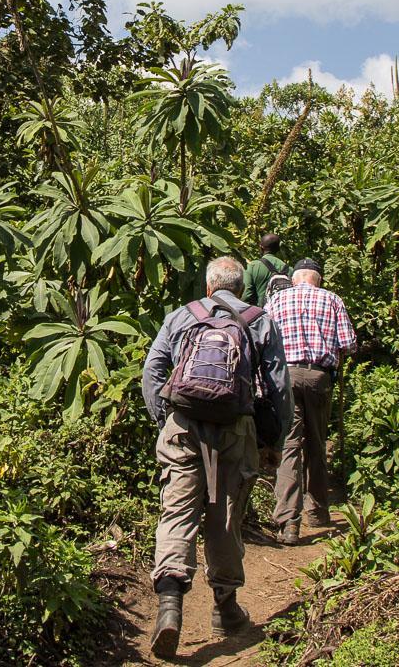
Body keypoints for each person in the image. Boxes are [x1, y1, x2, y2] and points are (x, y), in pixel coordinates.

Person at [141, 257, 291, 658]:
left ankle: (169, 608)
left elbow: (153, 368)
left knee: (177, 509)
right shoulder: (260, 321)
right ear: (241, 289)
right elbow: (278, 387)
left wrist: (164, 418)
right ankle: (224, 608)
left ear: (209, 287)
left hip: (183, 424)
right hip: (235, 429)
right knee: (226, 513)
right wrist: (274, 439)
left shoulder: (181, 315)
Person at [265, 258, 356, 544]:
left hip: (285, 377)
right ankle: (317, 513)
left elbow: (262, 338)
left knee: (290, 446)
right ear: (319, 279)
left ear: (294, 278)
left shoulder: (277, 300)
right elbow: (349, 343)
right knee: (316, 443)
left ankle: (287, 523)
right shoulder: (332, 300)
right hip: (319, 377)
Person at [242, 233, 287, 306]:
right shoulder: (288, 269)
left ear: (261, 247)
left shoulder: (252, 266)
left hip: (260, 313)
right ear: (278, 248)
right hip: (281, 312)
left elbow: (246, 296)